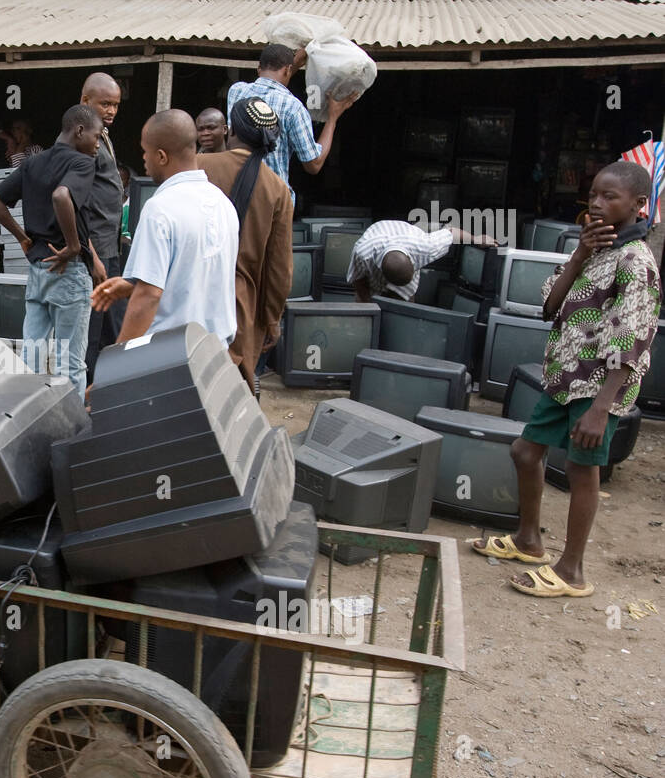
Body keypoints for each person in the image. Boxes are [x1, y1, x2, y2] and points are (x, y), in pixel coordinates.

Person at [472, 162, 660, 599]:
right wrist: (578, 256)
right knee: (524, 451)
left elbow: (634, 339)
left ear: (638, 206)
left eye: (609, 197)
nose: (596, 203)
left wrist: (602, 408)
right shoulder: (595, 249)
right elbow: (549, 307)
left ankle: (572, 570)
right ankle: (529, 540)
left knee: (581, 468)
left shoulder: (636, 261)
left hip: (599, 385)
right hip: (565, 377)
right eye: (593, 194)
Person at [92, 110, 239, 351]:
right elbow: (193, 272)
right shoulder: (223, 204)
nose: (143, 159)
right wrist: (133, 285)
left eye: (145, 151)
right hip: (215, 352)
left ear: (161, 156)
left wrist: (113, 368)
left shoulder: (160, 209)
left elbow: (148, 297)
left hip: (170, 357)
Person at [0, 104, 107, 398]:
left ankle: (31, 421)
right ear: (79, 130)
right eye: (97, 135)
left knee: (33, 359)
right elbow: (62, 195)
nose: (98, 144)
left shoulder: (33, 162)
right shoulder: (81, 163)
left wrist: (23, 239)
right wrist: (74, 246)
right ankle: (74, 435)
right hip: (68, 270)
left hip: (38, 269)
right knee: (70, 364)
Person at [198, 97, 294, 393]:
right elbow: (279, 269)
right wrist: (272, 318)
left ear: (230, 130)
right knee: (230, 397)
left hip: (193, 293)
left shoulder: (197, 165)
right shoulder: (278, 189)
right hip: (241, 309)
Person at [225, 44, 356, 201]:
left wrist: (291, 65)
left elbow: (268, 85)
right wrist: (332, 118)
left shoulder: (236, 91)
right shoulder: (293, 108)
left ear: (259, 68)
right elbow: (314, 164)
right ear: (287, 70)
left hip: (236, 194)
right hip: (273, 200)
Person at [79, 72, 126, 380]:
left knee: (114, 325)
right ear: (86, 101)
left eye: (116, 105)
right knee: (93, 333)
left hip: (109, 246)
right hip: (96, 250)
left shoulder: (101, 134)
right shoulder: (83, 141)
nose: (111, 111)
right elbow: (75, 203)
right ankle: (89, 393)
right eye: (105, 103)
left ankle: (109, 386)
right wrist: (93, 255)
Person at [347, 219, 496, 303]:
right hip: (375, 254)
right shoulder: (362, 252)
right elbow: (358, 279)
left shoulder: (425, 245)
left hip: (405, 238)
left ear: (413, 262)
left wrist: (476, 238)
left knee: (404, 308)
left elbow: (451, 232)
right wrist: (368, 303)